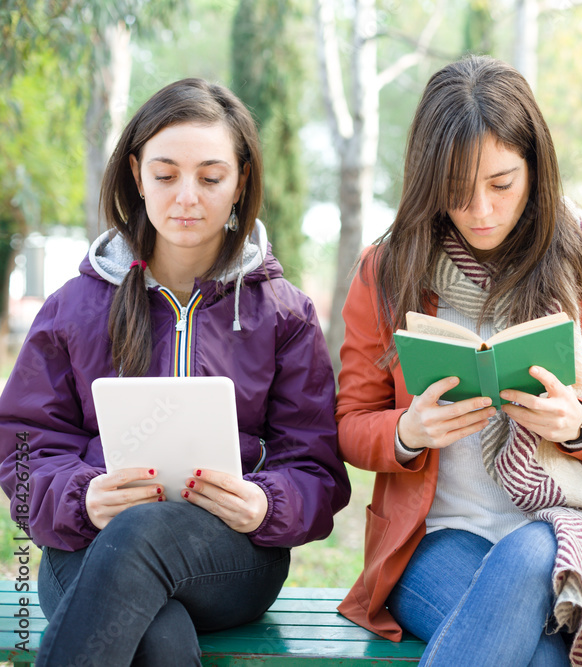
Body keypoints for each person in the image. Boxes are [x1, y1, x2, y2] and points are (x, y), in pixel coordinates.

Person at [0, 78, 351, 666]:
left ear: (241, 181)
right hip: (87, 542)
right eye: (166, 176)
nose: (187, 197)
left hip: (232, 555)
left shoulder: (283, 314)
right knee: (157, 636)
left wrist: (265, 504)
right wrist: (83, 498)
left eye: (210, 178)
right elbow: (21, 450)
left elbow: (317, 466)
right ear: (137, 176)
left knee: (139, 537)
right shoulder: (74, 308)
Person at [335, 55, 582, 667]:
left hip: (557, 520)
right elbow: (352, 421)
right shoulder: (389, 269)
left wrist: (580, 423)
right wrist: (406, 433)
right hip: (431, 540)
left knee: (533, 554)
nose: (481, 210)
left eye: (502, 184)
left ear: (536, 166)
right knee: (540, 659)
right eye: (456, 192)